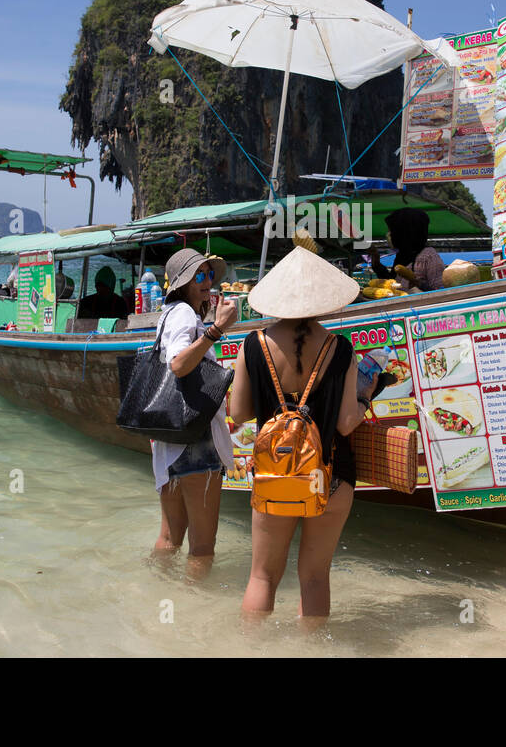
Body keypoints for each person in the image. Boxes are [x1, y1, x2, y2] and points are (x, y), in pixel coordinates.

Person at [231, 247, 364, 620]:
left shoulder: (253, 346)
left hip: (275, 475)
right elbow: (344, 423)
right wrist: (366, 397)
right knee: (315, 578)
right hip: (331, 476)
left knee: (262, 576)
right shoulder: (340, 349)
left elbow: (238, 413)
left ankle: (251, 649)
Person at [150, 248, 240, 578]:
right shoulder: (185, 316)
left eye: (210, 274)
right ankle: (195, 620)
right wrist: (217, 330)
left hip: (170, 438)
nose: (207, 282)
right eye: (199, 276)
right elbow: (178, 364)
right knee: (202, 547)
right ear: (183, 282)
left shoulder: (168, 314)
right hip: (195, 439)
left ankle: (154, 594)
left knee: (170, 538)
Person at [370, 206, 445, 291]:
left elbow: (440, 291)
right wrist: (376, 262)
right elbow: (392, 283)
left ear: (404, 232)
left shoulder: (428, 256)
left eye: (391, 231)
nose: (389, 234)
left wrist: (418, 283)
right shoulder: (401, 256)